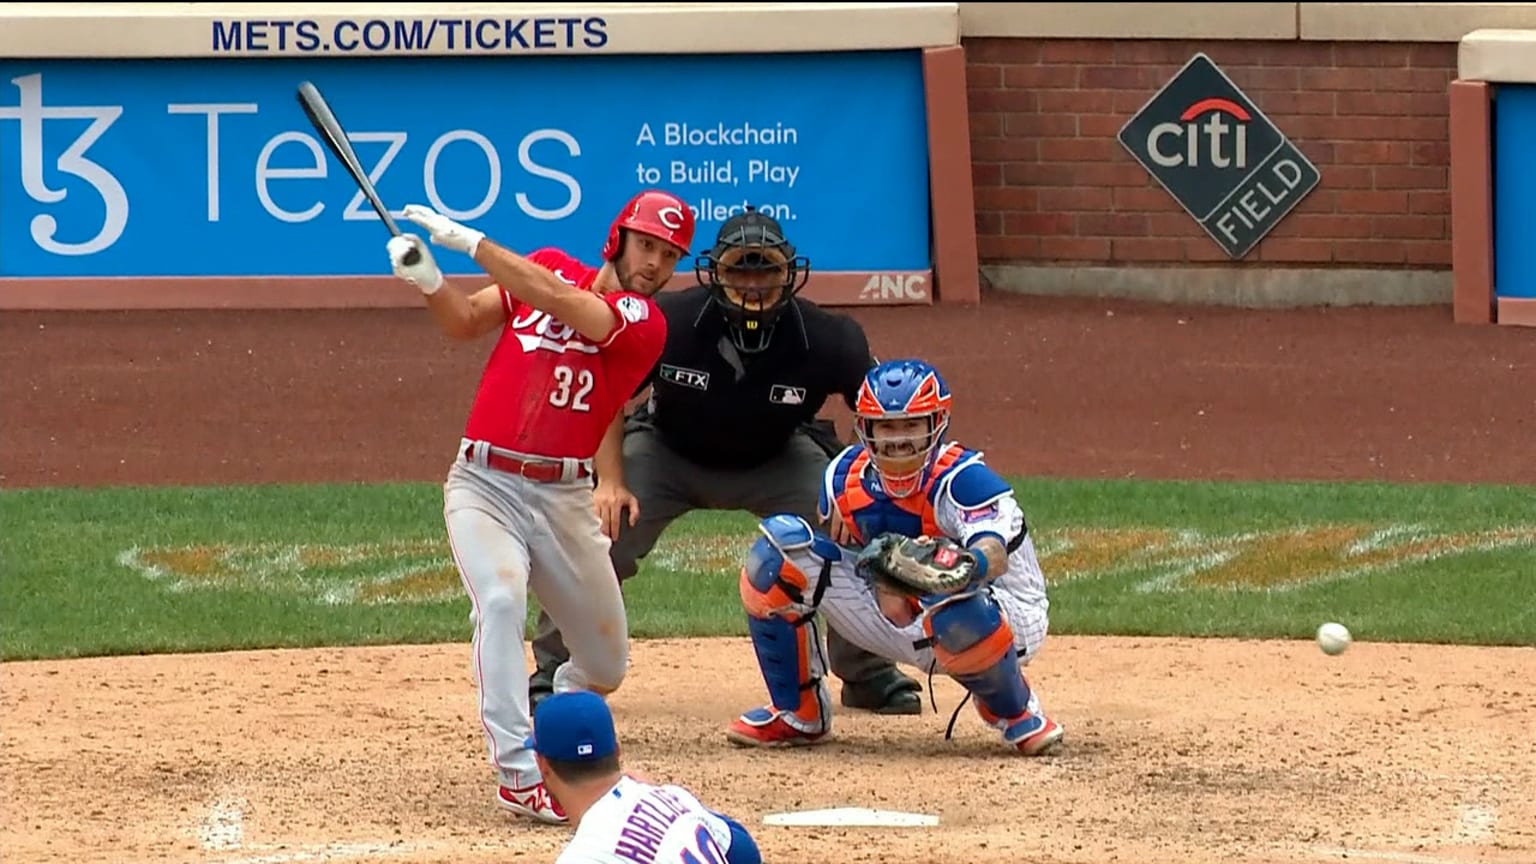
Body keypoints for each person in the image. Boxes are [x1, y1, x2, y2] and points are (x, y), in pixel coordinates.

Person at [527, 205, 924, 717]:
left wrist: (858, 485)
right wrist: (611, 480)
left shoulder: (831, 338)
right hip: (668, 452)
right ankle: (553, 668)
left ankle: (866, 671)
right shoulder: (670, 322)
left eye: (766, 271)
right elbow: (608, 395)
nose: (753, 284)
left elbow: (878, 409)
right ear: (716, 272)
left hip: (777, 456)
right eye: (740, 269)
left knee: (852, 523)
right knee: (598, 531)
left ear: (789, 274)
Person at [384, 190, 697, 825]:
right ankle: (519, 771)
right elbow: (465, 322)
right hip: (484, 483)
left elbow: (564, 302)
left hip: (563, 497)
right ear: (617, 239)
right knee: (500, 599)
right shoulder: (550, 261)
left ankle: (557, 732)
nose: (656, 263)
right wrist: (428, 278)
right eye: (647, 246)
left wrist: (470, 242)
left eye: (669, 255)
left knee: (604, 666)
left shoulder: (644, 321)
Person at [723, 358, 1066, 756]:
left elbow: (993, 553)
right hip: (896, 614)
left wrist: (953, 568)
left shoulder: (964, 480)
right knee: (778, 553)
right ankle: (799, 713)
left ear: (935, 424)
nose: (898, 439)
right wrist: (887, 575)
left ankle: (1016, 712)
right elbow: (847, 557)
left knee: (954, 604)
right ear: (866, 427)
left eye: (910, 425)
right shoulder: (843, 478)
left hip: (1003, 616)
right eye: (887, 427)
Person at [527, 690, 763, 864]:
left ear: (543, 764)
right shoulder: (671, 798)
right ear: (617, 752)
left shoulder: (584, 856)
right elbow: (746, 854)